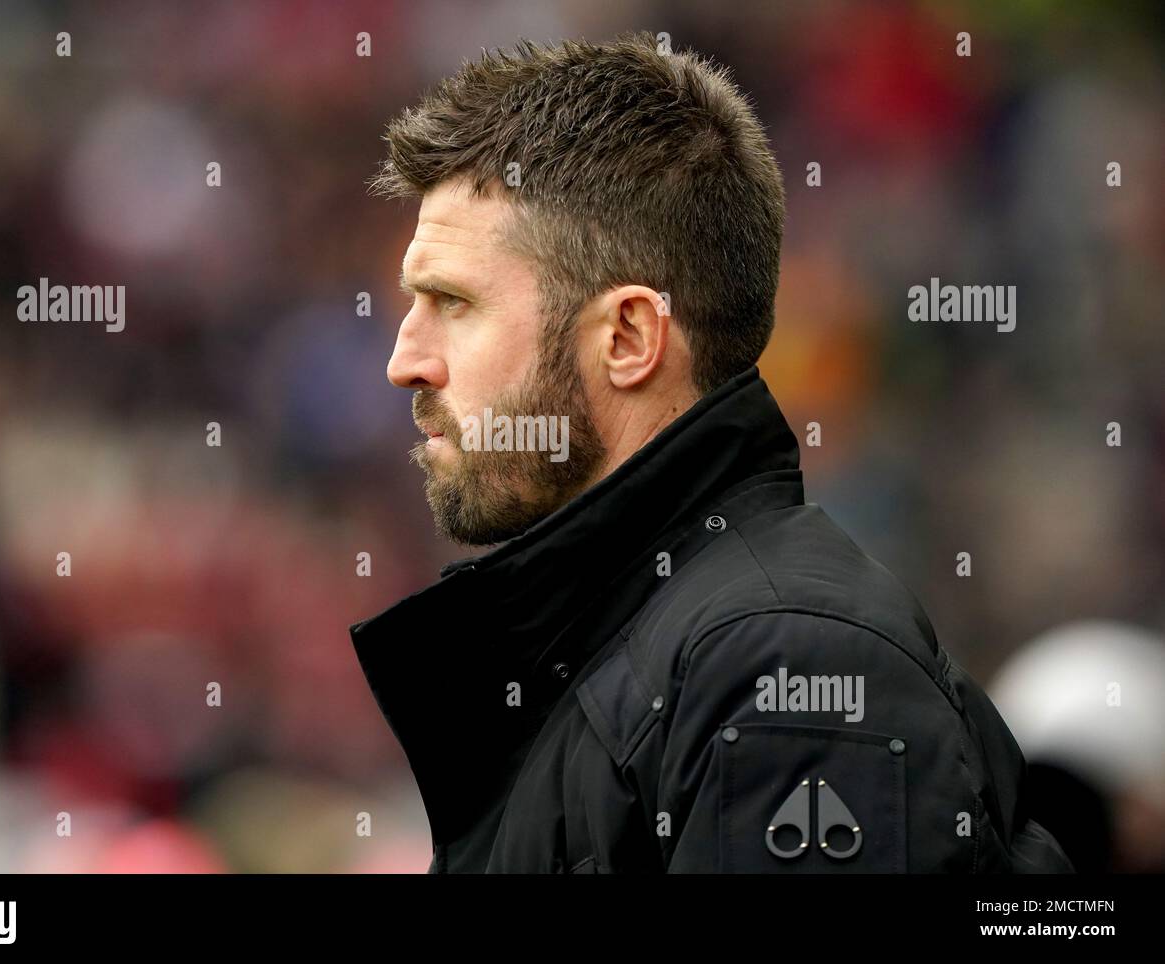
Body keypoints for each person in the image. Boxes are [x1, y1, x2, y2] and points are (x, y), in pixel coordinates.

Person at [350, 31, 1073, 873]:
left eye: (453, 303)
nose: (405, 361)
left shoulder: (783, 668)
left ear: (628, 337)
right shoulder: (630, 655)